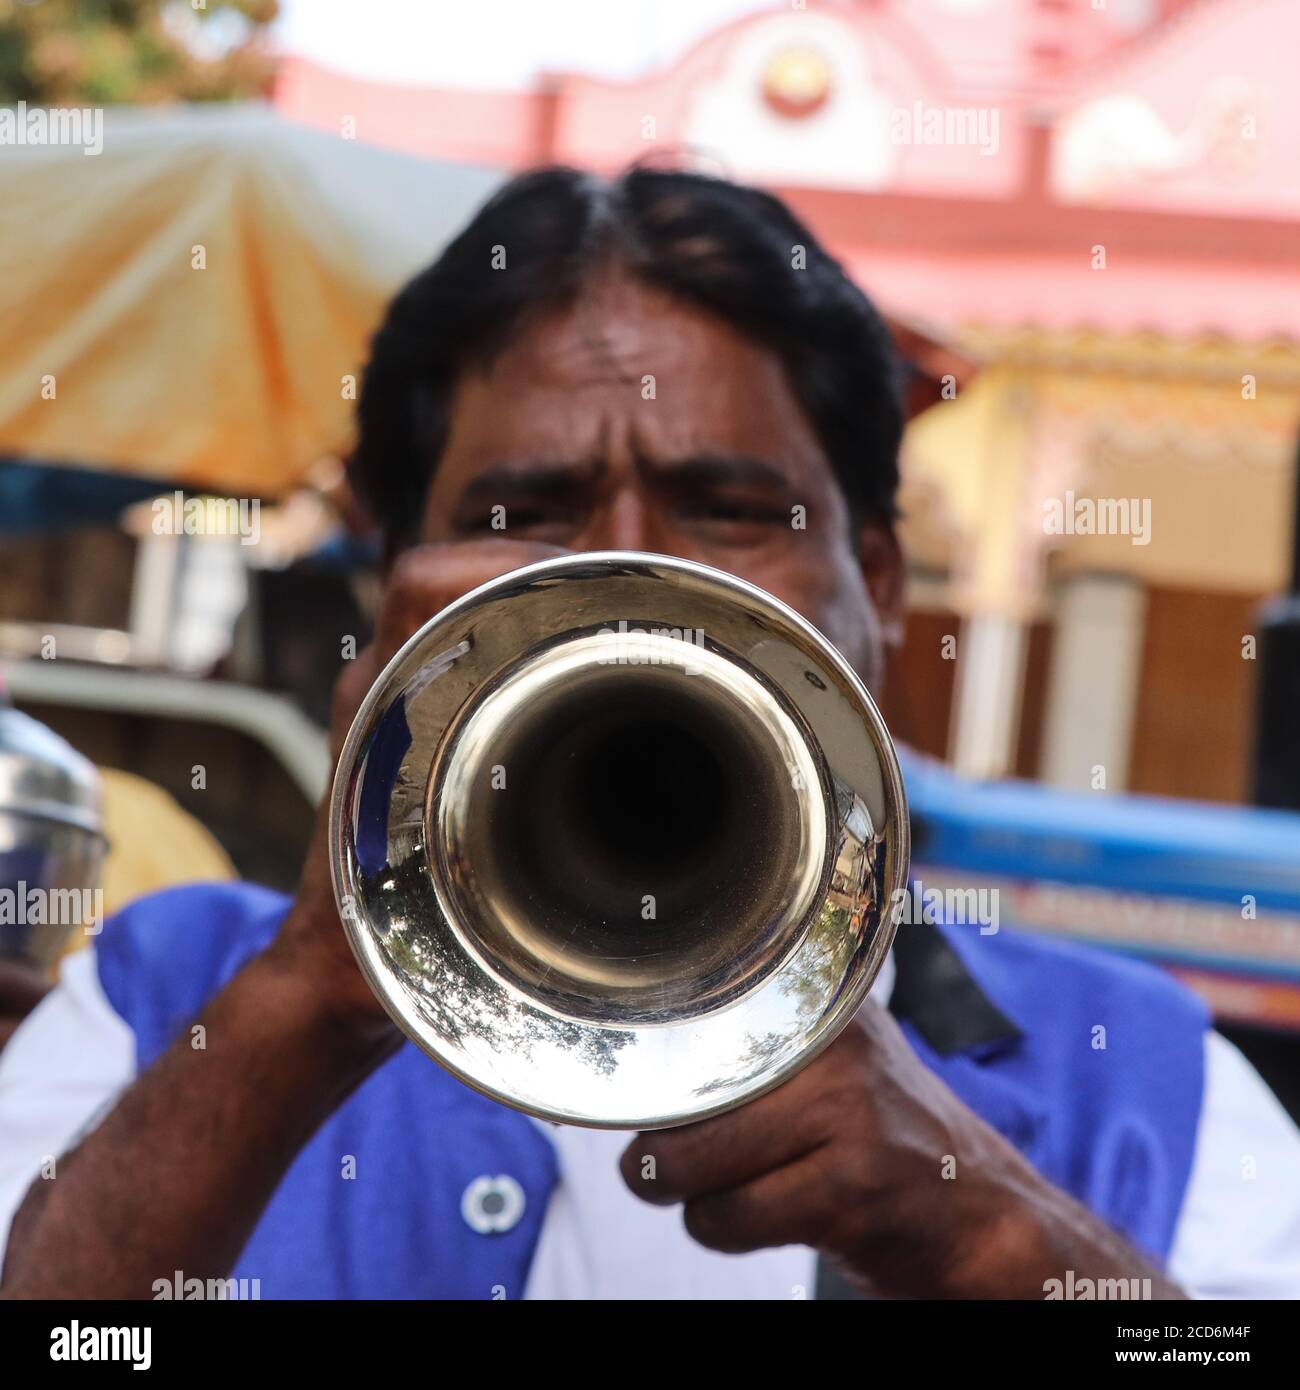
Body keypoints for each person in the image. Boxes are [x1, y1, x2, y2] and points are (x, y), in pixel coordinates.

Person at [1, 167, 1298, 1300]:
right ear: (390, 574)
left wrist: (990, 1241)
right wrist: (313, 994)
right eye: (525, 513)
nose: (628, 574)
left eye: (730, 506)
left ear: (883, 581)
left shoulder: (1156, 1079)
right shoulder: (160, 996)